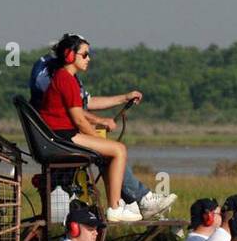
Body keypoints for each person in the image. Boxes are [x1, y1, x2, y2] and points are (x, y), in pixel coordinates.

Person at [36, 34, 153, 223]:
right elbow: (80, 121)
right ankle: (115, 208)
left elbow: (81, 115)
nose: (88, 58)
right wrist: (101, 143)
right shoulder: (66, 80)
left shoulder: (64, 78)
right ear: (69, 55)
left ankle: (116, 205)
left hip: (61, 135)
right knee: (118, 149)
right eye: (85, 54)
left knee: (111, 151)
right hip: (62, 138)